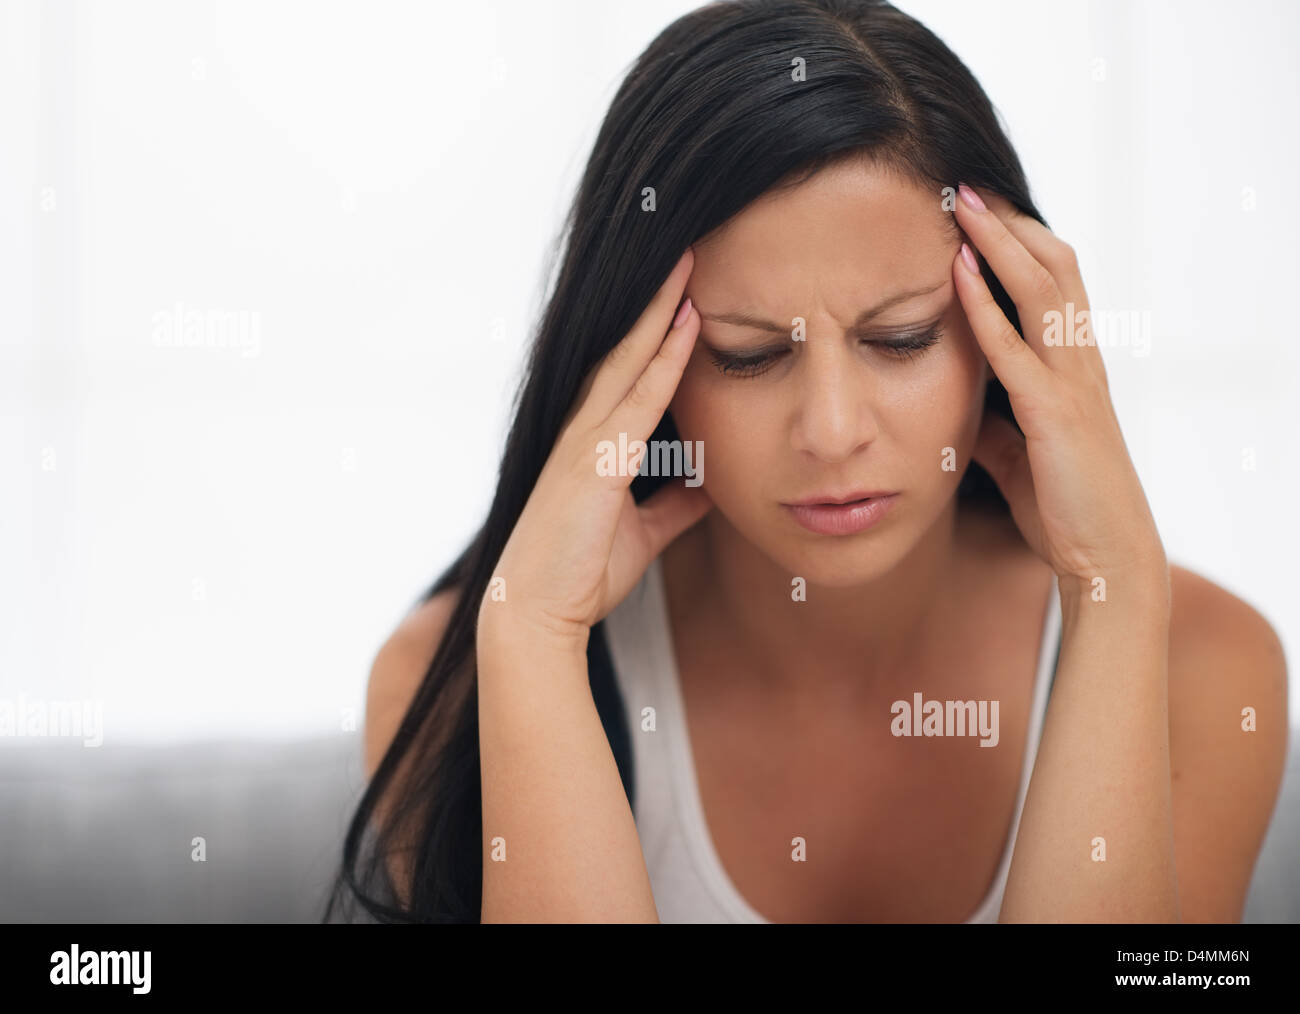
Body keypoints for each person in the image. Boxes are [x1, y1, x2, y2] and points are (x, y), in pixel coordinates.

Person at [326, 0, 1288, 923]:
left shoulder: (1203, 668)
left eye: (903, 337)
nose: (830, 431)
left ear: (1011, 334)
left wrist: (1114, 588)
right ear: (640, 373)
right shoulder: (448, 685)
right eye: (749, 353)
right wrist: (532, 639)